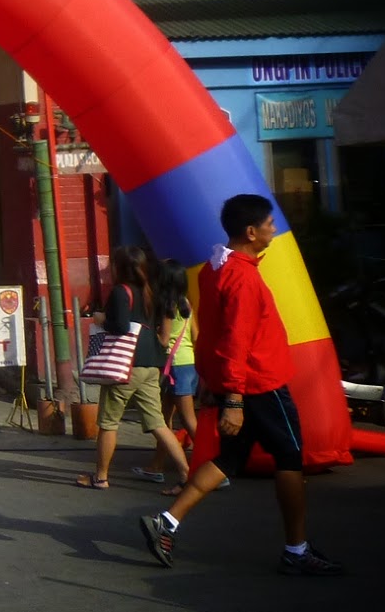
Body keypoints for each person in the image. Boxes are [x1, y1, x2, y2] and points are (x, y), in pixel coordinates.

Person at [139, 193, 343, 576]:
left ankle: (166, 523)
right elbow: (235, 338)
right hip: (259, 383)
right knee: (290, 458)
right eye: (269, 224)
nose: (273, 229)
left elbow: (214, 333)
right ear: (251, 231)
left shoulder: (218, 267)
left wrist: (213, 382)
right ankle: (296, 550)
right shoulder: (242, 277)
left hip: (237, 381)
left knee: (229, 460)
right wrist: (233, 396)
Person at [74, 246, 188, 492]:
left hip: (125, 365)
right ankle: (186, 472)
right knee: (158, 422)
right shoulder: (149, 291)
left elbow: (121, 326)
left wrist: (101, 318)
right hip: (151, 363)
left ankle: (101, 477)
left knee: (108, 423)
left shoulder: (119, 292)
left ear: (119, 267)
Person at [134, 259, 200, 489]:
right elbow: (195, 334)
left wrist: (146, 337)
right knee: (164, 418)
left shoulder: (168, 307)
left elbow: (163, 340)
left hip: (174, 368)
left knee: (188, 420)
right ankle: (156, 466)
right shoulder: (186, 304)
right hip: (188, 364)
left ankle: (214, 468)